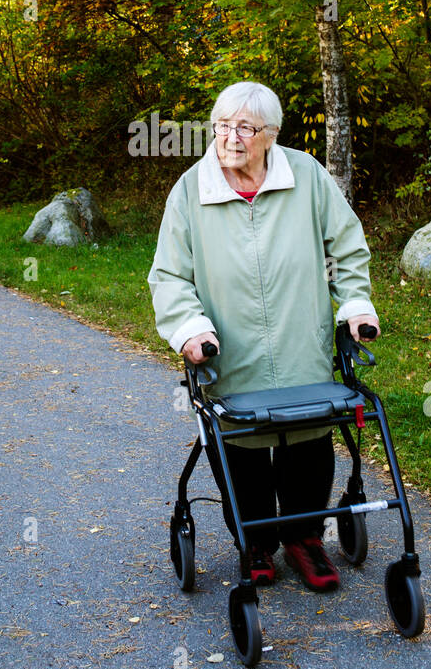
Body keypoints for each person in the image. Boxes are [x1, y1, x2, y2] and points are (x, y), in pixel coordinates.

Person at [148, 80, 380, 591]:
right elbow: (169, 276)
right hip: (229, 351)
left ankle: (304, 538)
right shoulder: (191, 190)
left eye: (246, 128)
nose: (231, 138)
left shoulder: (307, 176)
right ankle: (255, 541)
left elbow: (346, 246)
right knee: (241, 446)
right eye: (223, 125)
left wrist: (356, 306)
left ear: (271, 134)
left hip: (302, 343)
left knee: (308, 440)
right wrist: (190, 329)